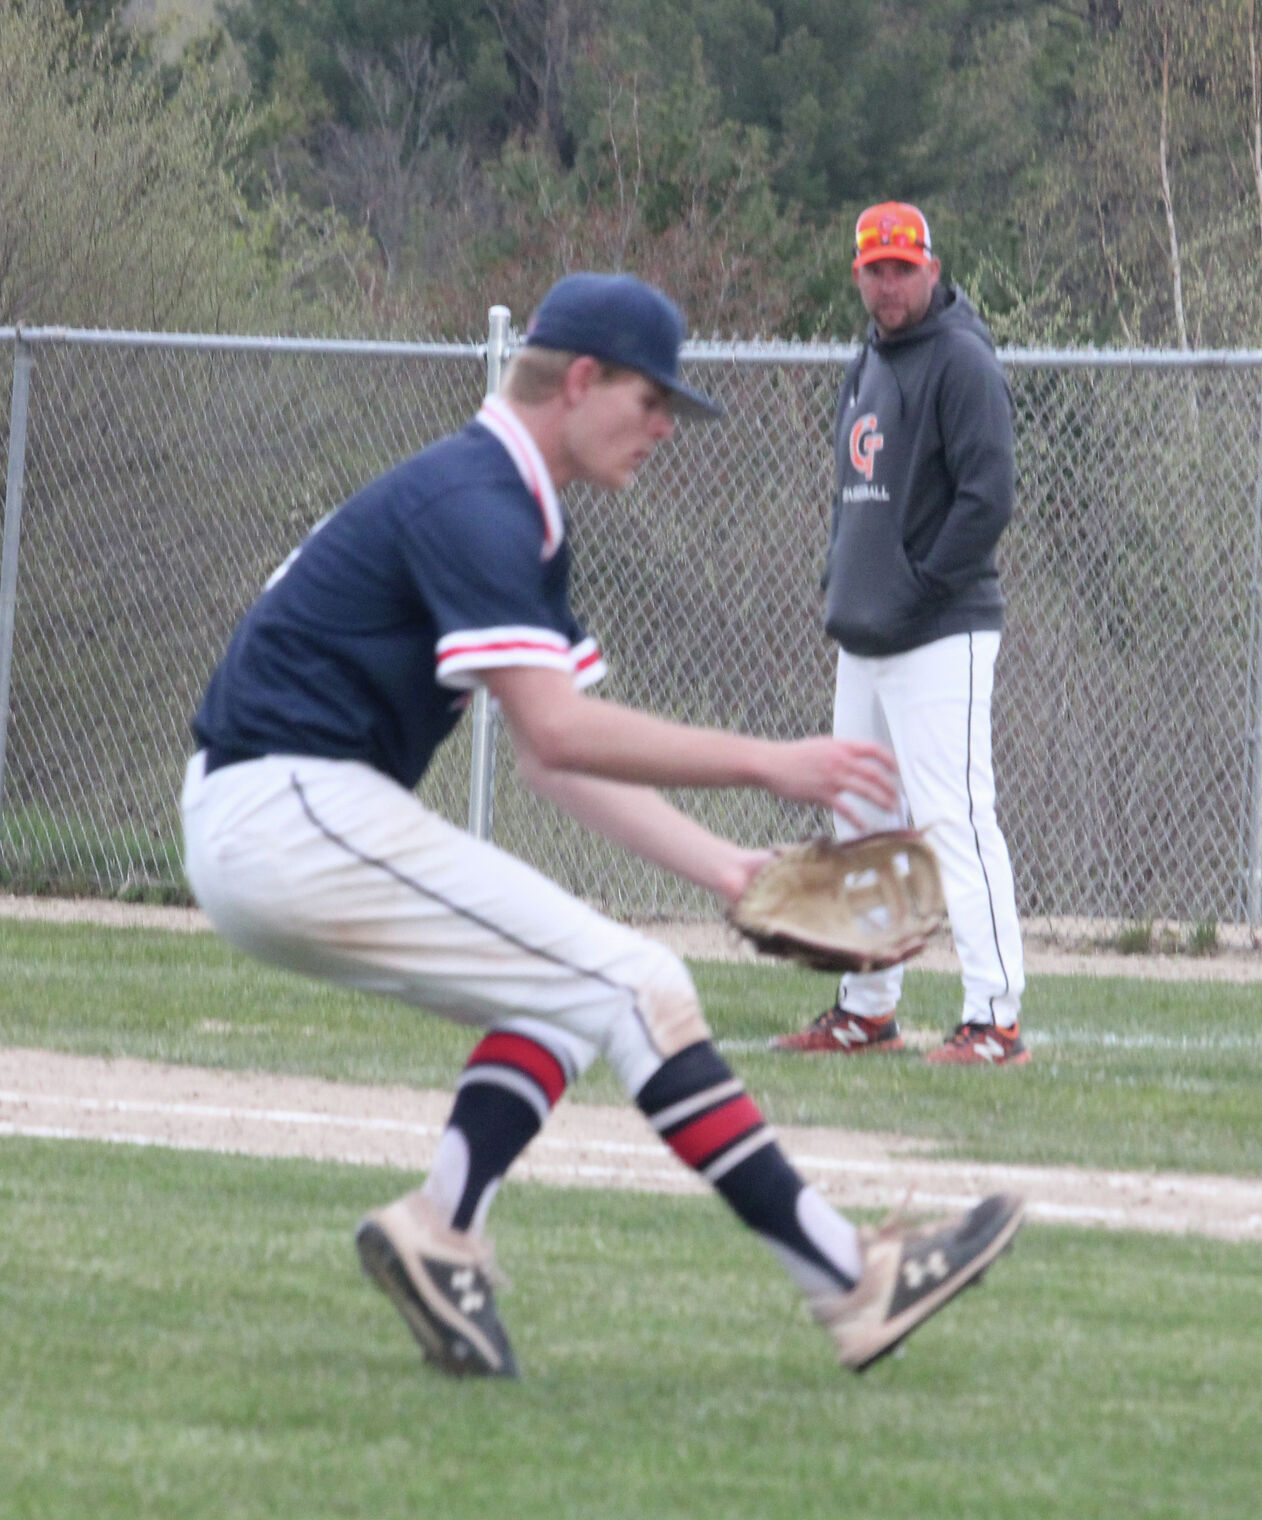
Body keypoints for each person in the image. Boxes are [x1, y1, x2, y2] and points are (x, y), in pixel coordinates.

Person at [180, 272, 1023, 1379]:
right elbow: (562, 730)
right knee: (637, 984)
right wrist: (767, 762)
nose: (664, 426)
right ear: (580, 379)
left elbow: (551, 760)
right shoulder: (478, 499)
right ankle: (850, 1278)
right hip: (285, 811)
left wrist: (727, 868)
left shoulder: (509, 501)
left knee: (572, 988)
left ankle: (440, 1229)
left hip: (293, 813)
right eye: (651, 398)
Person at [772, 202, 1029, 1067]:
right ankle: (867, 1008)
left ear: (932, 269)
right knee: (863, 825)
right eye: (874, 270)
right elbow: (854, 494)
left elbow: (987, 499)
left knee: (954, 819)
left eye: (902, 269)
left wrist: (917, 587)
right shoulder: (869, 360)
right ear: (858, 275)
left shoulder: (961, 359)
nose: (889, 284)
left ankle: (994, 1018)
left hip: (941, 631)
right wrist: (843, 579)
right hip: (869, 635)